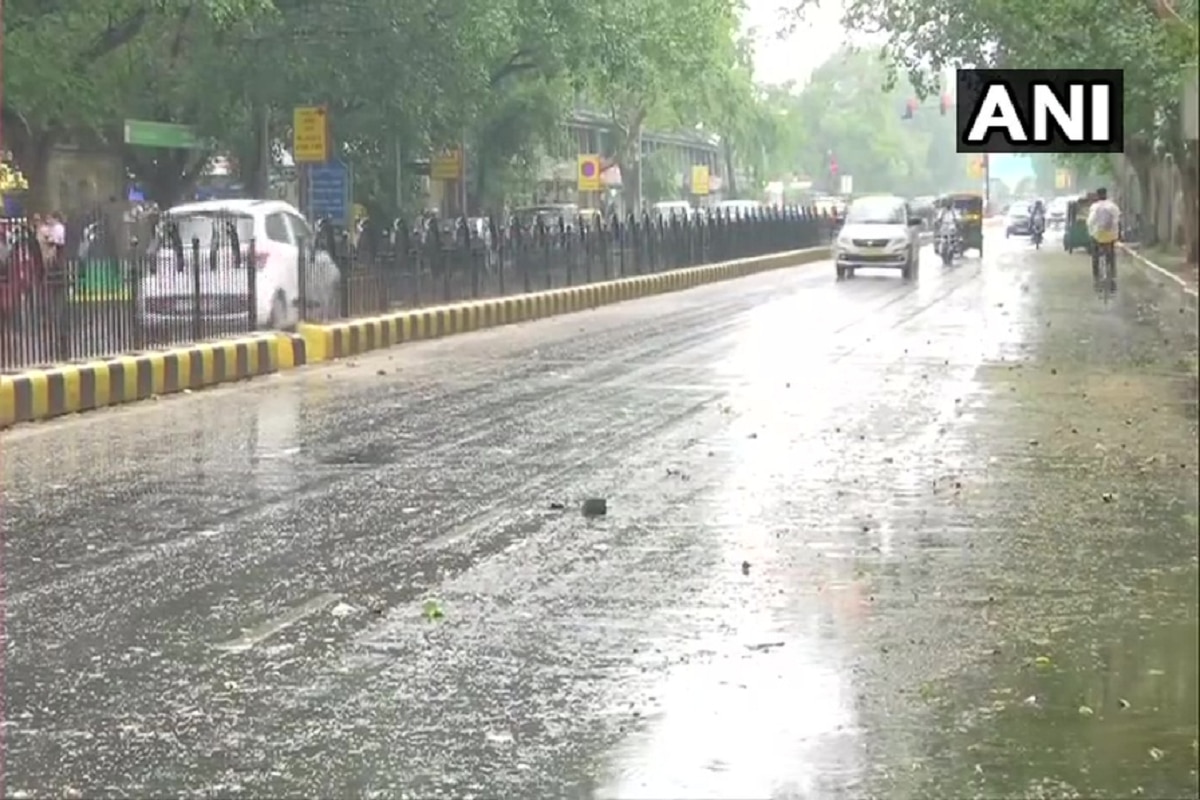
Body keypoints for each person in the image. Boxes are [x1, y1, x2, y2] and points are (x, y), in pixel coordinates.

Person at [1086, 187, 1121, 287]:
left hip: (1098, 235)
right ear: (1106, 194)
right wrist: (1117, 234)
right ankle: (1113, 272)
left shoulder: (1094, 207)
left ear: (1097, 195)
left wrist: (1090, 233)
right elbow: (1116, 220)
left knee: (1095, 255)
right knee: (1111, 255)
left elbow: (1090, 222)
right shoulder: (1113, 206)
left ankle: (1096, 274)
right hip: (1110, 236)